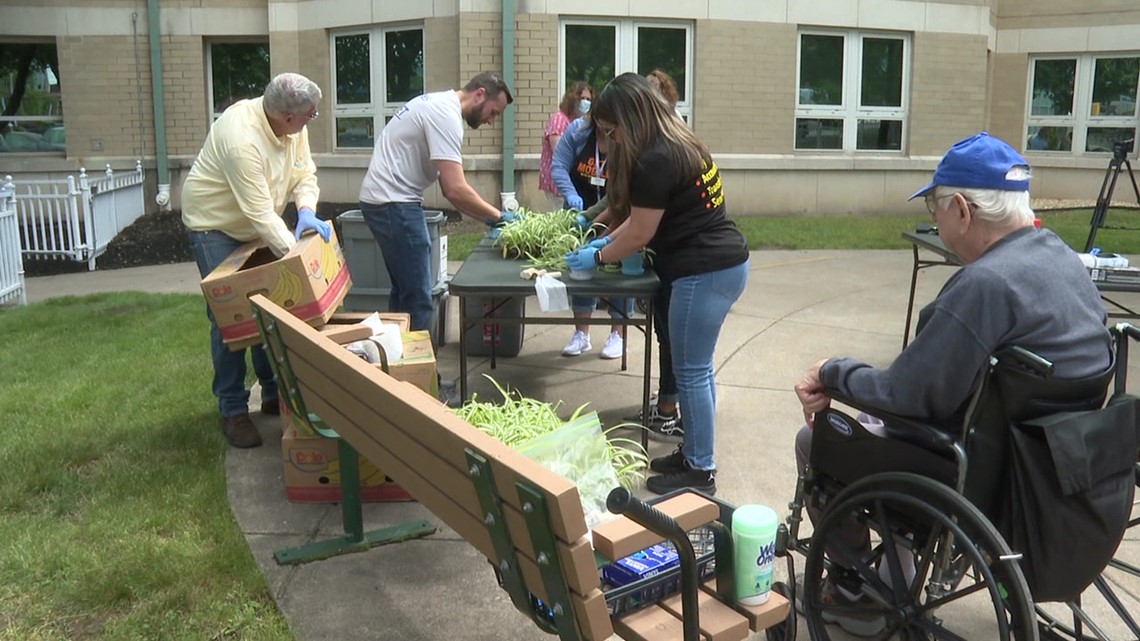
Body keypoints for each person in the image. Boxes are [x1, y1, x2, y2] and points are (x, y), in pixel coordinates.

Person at [791, 132, 1111, 637]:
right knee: (881, 428)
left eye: (937, 209)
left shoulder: (985, 285)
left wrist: (832, 370)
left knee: (817, 440)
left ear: (962, 209)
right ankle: (895, 571)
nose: (935, 222)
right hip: (1052, 462)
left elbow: (907, 394)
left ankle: (858, 586)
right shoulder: (1062, 261)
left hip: (975, 472)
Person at [565, 73, 750, 495]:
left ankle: (700, 470)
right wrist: (603, 236)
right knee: (695, 372)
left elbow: (640, 234)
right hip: (724, 264)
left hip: (702, 271)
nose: (611, 139)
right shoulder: (682, 144)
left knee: (693, 372)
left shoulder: (654, 159)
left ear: (630, 118)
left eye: (612, 131)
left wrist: (595, 256)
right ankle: (693, 453)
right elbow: (637, 219)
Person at [182, 72, 331, 449]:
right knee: (230, 316)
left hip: (253, 222)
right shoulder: (241, 139)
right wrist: (298, 260)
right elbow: (261, 215)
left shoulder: (295, 125)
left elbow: (304, 175)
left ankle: (270, 390)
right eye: (309, 116)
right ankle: (232, 409)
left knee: (274, 303)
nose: (312, 121)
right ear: (285, 116)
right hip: (214, 226)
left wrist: (308, 211)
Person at [358, 72, 519, 405]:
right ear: (479, 95)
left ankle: (397, 378)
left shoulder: (435, 102)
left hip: (386, 201)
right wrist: (498, 218)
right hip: (394, 204)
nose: (491, 122)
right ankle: (422, 389)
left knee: (404, 294)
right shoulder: (446, 115)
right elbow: (455, 190)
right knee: (417, 298)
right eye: (493, 112)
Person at [550, 109, 633, 360]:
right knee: (582, 272)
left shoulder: (626, 142)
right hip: (587, 210)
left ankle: (618, 334)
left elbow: (620, 202)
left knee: (620, 273)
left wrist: (602, 235)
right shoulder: (578, 132)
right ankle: (581, 334)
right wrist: (583, 215)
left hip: (622, 217)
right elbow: (559, 167)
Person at [539, 82, 592, 211]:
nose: (585, 102)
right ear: (573, 98)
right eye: (582, 98)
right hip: (558, 181)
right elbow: (558, 151)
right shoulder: (559, 119)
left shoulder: (580, 122)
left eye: (588, 99)